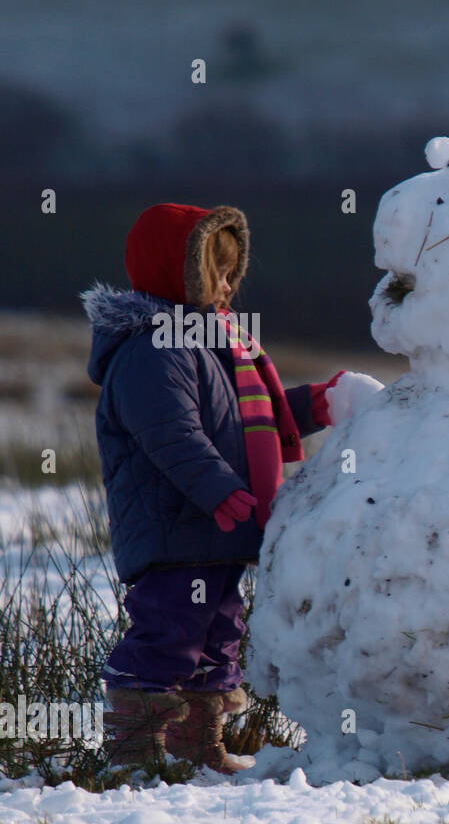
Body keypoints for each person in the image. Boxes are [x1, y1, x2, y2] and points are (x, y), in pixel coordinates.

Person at [82, 202, 347, 773]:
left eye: (232, 273)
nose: (228, 286)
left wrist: (315, 405)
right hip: (175, 530)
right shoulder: (152, 351)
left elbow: (253, 422)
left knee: (219, 635)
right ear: (177, 276)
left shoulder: (220, 346)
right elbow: (171, 435)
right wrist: (219, 489)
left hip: (222, 531)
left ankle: (198, 747)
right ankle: (131, 752)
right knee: (168, 632)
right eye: (214, 273)